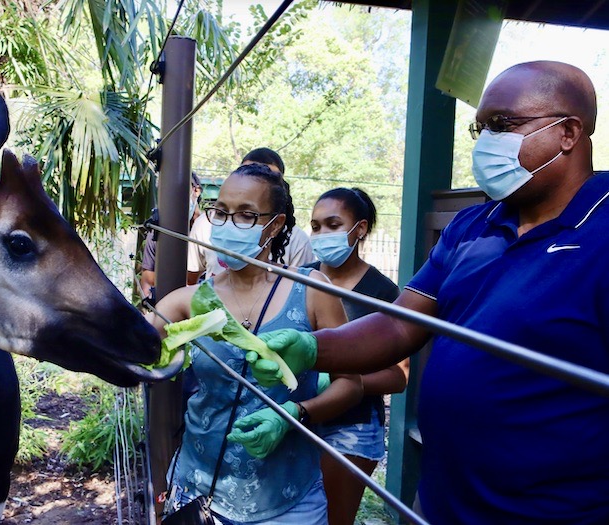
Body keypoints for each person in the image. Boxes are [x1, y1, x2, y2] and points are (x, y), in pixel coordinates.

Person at [245, 61, 609, 524]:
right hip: (440, 501)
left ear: (568, 133)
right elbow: (400, 323)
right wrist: (315, 347)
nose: (485, 144)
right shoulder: (472, 226)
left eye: (502, 125)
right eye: (480, 129)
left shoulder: (602, 232)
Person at [146, 163, 362, 524]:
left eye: (246, 215)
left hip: (288, 498)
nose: (229, 224)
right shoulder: (188, 301)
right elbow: (140, 341)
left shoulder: (311, 290)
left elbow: (350, 384)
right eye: (221, 212)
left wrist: (297, 414)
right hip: (200, 490)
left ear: (274, 225)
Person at [305, 187, 408, 525]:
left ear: (359, 229)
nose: (321, 234)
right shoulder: (296, 278)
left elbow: (399, 376)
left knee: (333, 519)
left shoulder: (382, 293)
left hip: (352, 426)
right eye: (316, 226)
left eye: (333, 225)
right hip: (296, 418)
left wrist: (348, 384)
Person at [187, 148, 314, 284]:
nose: (253, 178)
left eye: (247, 215)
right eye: (221, 213)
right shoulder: (205, 224)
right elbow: (190, 279)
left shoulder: (298, 241)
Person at [140, 172, 203, 302]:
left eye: (178, 190)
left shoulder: (209, 231)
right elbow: (147, 279)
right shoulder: (157, 233)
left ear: (196, 190)